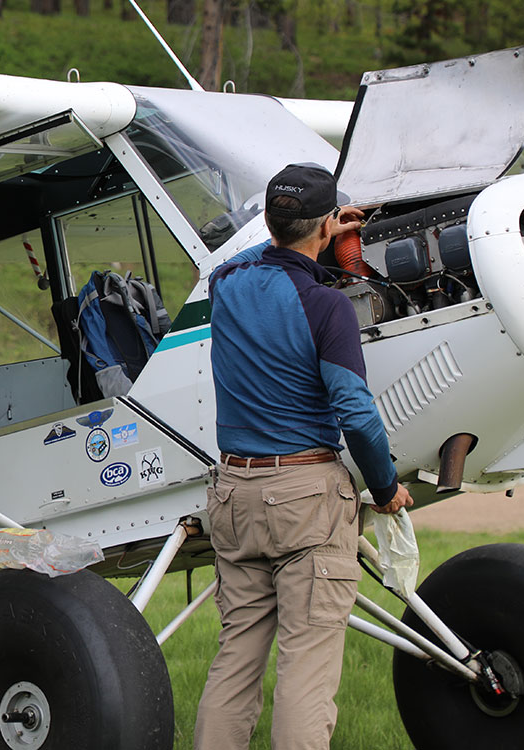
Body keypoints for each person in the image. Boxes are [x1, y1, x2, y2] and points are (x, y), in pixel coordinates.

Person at [194, 163, 413, 750]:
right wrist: (386, 486)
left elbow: (245, 262)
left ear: (270, 221)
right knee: (306, 669)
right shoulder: (327, 307)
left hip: (233, 495)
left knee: (236, 659)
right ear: (325, 228)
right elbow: (357, 414)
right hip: (306, 501)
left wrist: (310, 235)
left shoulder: (227, 285)